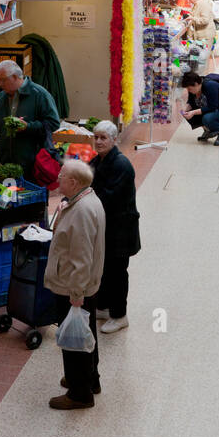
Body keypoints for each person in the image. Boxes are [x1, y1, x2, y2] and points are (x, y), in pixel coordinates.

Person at [44, 160, 105, 410]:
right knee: (85, 331)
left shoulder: (81, 212)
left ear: (74, 182)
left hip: (73, 286)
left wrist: (76, 293)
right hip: (82, 284)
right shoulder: (86, 200)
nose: (58, 177)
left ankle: (79, 393)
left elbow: (81, 257)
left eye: (62, 175)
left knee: (74, 340)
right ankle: (91, 380)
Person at [91, 121, 140, 334]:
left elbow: (109, 198)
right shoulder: (97, 161)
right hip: (105, 227)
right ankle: (103, 306)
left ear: (114, 140)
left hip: (120, 230)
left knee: (117, 273)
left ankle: (120, 316)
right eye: (97, 137)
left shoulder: (121, 165)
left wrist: (84, 200)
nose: (99, 141)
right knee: (103, 268)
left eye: (104, 138)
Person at [0, 60, 60, 182]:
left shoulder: (39, 94)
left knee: (32, 199)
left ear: (15, 77)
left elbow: (53, 123)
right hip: (7, 164)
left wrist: (28, 127)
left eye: (2, 80)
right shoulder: (2, 97)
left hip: (34, 166)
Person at [180, 70, 219, 146]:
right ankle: (207, 130)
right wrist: (185, 110)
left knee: (207, 118)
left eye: (189, 89)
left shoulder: (210, 85)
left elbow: (212, 107)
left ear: (196, 84)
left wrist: (193, 112)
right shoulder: (194, 88)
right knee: (190, 112)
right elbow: (191, 102)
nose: (189, 91)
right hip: (214, 107)